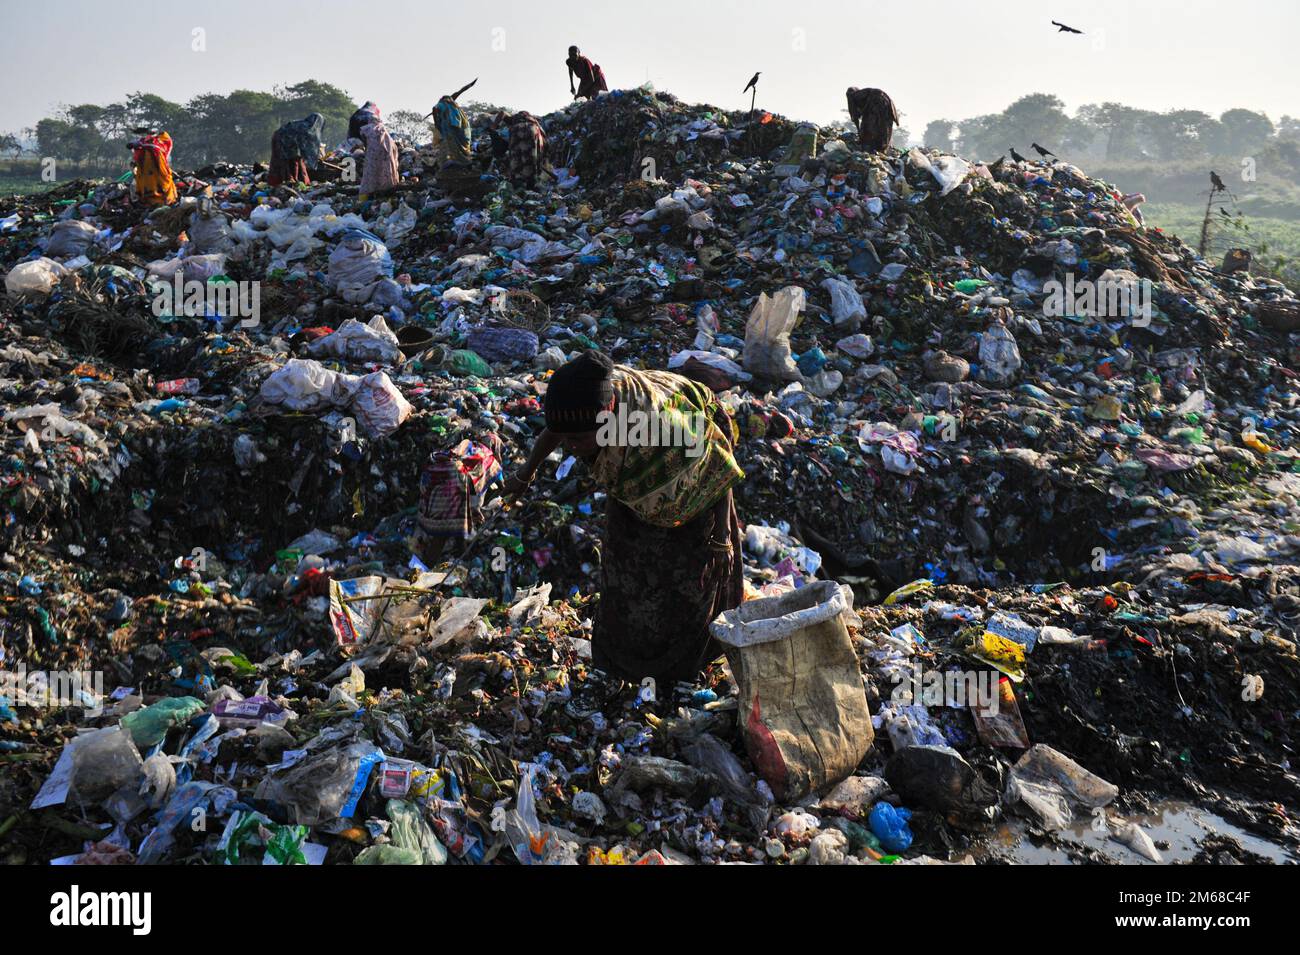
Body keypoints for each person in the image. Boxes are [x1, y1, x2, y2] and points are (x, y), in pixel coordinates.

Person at [504, 351, 745, 688]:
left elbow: (717, 471)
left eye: (579, 440)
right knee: (624, 569)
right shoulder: (585, 406)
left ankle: (679, 675)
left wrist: (721, 538)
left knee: (689, 579)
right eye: (569, 439)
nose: (572, 448)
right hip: (638, 472)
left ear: (606, 419)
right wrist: (525, 472)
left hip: (696, 472)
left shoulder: (661, 429)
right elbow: (558, 430)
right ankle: (623, 665)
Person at [269, 113, 325, 187]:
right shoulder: (305, 128)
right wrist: (312, 158)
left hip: (283, 139)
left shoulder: (307, 126)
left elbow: (307, 146)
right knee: (285, 161)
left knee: (295, 160)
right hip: (281, 140)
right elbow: (307, 146)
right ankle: (285, 181)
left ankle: (296, 181)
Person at [128, 130, 178, 206]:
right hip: (148, 183)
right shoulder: (142, 146)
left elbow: (167, 142)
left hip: (161, 184)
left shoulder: (160, 143)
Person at [845, 87, 898, 153]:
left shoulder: (852, 96)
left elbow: (854, 116)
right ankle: (881, 148)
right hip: (888, 102)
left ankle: (874, 148)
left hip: (877, 102)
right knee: (884, 127)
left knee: (869, 127)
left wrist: (859, 132)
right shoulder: (864, 94)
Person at [358, 117, 399, 198]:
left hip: (372, 156)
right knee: (384, 173)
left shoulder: (367, 129)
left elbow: (364, 142)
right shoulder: (385, 131)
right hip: (386, 156)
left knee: (371, 174)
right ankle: (385, 192)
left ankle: (370, 193)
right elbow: (394, 149)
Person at [506, 110, 547, 188]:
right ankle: (531, 182)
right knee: (531, 155)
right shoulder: (534, 122)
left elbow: (512, 149)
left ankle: (517, 180)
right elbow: (542, 138)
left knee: (515, 155)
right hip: (532, 130)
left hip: (516, 129)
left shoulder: (514, 122)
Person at [431, 95, 472, 164]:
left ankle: (456, 159)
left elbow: (435, 108)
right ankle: (461, 159)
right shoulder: (456, 107)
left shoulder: (442, 104)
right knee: (458, 144)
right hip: (458, 128)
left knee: (451, 143)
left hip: (449, 127)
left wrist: (436, 122)